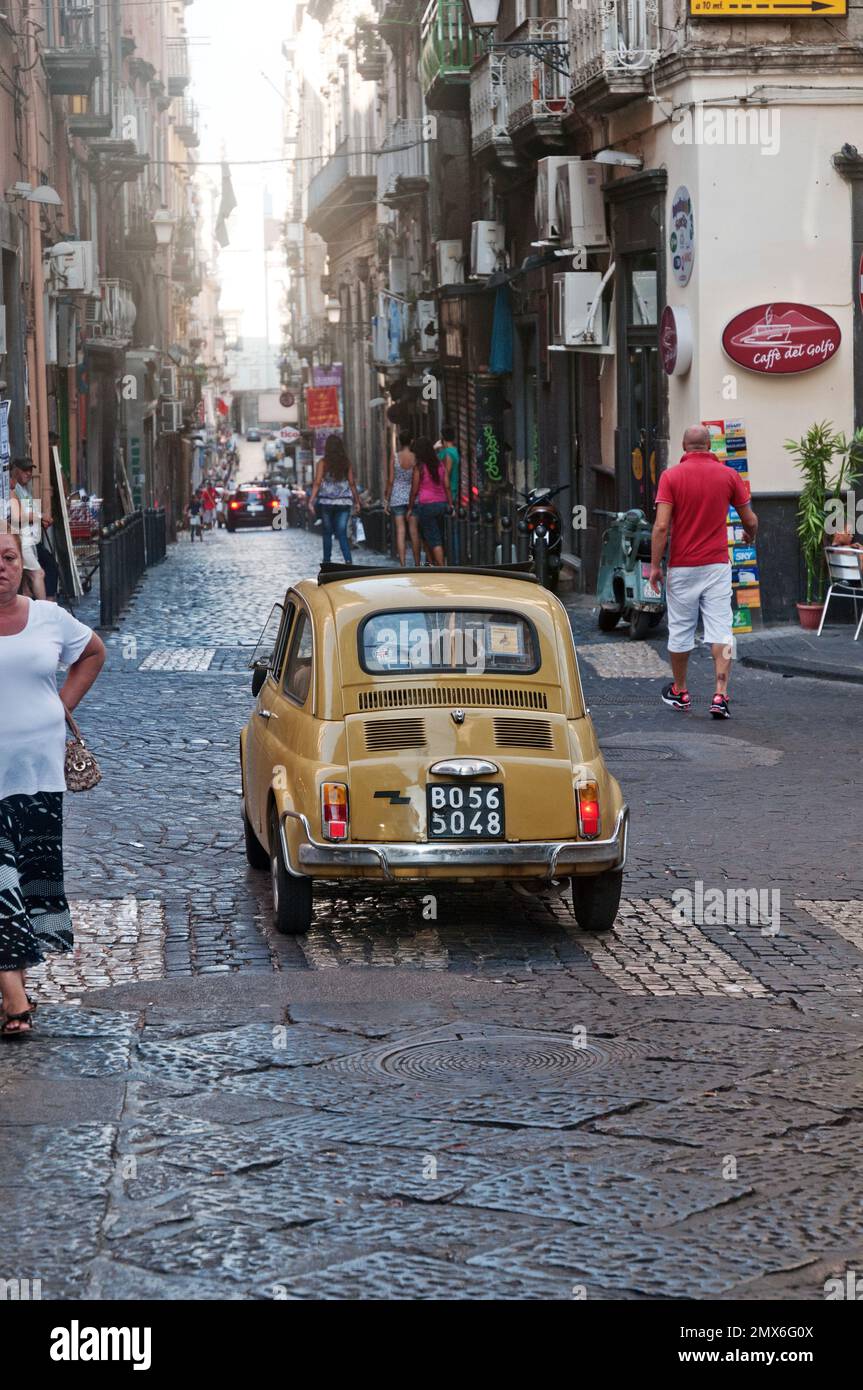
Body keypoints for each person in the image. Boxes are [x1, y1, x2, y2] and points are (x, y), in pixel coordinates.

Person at [0, 529, 106, 1036]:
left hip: (39, 776)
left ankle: (9, 986)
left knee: (27, 883)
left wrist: (59, 707)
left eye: (9, 557)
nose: (2, 566)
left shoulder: (49, 619)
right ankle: (16, 1001)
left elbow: (93, 654)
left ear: (23, 563)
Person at [649, 424, 759, 719]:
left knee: (681, 630)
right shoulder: (729, 475)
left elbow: (661, 526)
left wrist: (655, 567)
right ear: (710, 446)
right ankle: (720, 695)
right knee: (721, 631)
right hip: (716, 566)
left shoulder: (670, 477)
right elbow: (750, 519)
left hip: (682, 566)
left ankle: (680, 690)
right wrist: (751, 535)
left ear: (684, 447)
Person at [308, 434, 361, 565]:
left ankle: (327, 561)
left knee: (327, 532)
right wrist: (357, 501)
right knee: (342, 533)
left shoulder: (323, 463)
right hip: (344, 503)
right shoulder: (346, 462)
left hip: (327, 502)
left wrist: (311, 500)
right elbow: (352, 483)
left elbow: (317, 482)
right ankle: (348, 561)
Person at [408, 436, 453, 568]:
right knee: (435, 535)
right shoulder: (440, 465)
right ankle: (431, 564)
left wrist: (410, 508)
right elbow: (447, 486)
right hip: (441, 504)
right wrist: (450, 504)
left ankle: (441, 567)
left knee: (434, 539)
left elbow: (414, 490)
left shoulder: (419, 467)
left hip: (427, 506)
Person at [8, 458, 46, 601]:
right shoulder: (12, 490)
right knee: (38, 573)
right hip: (20, 538)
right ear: (14, 470)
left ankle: (30, 610)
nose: (29, 473)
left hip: (26, 537)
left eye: (30, 470)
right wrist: (39, 517)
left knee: (25, 583)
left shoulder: (22, 489)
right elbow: (18, 516)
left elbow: (26, 512)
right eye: (25, 470)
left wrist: (38, 517)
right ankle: (44, 611)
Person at [386, 431, 421, 567]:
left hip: (397, 497)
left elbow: (390, 480)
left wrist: (386, 499)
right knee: (414, 531)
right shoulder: (415, 458)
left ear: (400, 442)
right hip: (413, 496)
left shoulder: (394, 457)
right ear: (411, 441)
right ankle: (418, 563)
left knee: (400, 531)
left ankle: (402, 563)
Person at [435, 426, 461, 564]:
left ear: (443, 438)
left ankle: (453, 560)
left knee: (449, 529)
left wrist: (435, 449)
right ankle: (452, 558)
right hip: (452, 491)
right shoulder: (454, 451)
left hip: (447, 494)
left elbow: (445, 473)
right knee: (451, 528)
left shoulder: (448, 454)